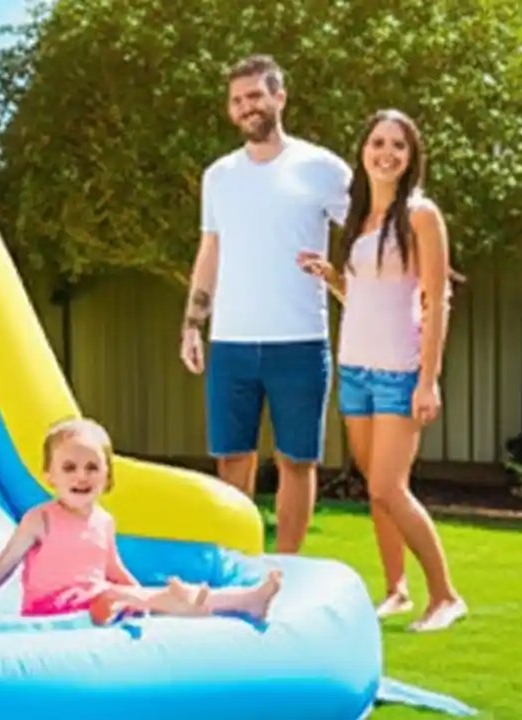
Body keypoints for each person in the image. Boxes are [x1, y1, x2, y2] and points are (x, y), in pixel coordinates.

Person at [296, 109, 467, 632]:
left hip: (398, 371)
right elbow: (368, 299)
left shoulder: (421, 214)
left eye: (398, 145)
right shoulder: (360, 218)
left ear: (411, 157)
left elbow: (436, 302)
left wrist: (428, 378)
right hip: (355, 369)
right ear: (363, 150)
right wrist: (330, 277)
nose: (386, 153)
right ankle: (396, 590)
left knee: (391, 488)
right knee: (374, 487)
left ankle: (446, 596)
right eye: (378, 142)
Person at [180, 54, 352, 554]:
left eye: (255, 95)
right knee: (233, 458)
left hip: (300, 342)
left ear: (279, 97)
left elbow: (367, 237)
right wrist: (192, 324)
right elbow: (210, 249)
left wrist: (341, 283)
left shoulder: (322, 168)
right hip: (231, 342)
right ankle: (240, 562)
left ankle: (287, 569)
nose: (246, 107)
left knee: (297, 460)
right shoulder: (219, 176)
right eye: (237, 100)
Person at [0, 418, 283, 625]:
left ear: (107, 476)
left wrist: (141, 592)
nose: (81, 477)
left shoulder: (104, 522)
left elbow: (115, 570)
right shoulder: (40, 520)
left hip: (99, 601)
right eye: (69, 468)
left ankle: (244, 600)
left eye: (92, 467)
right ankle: (172, 601)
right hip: (52, 613)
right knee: (123, 599)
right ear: (49, 476)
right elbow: (1, 567)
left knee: (146, 598)